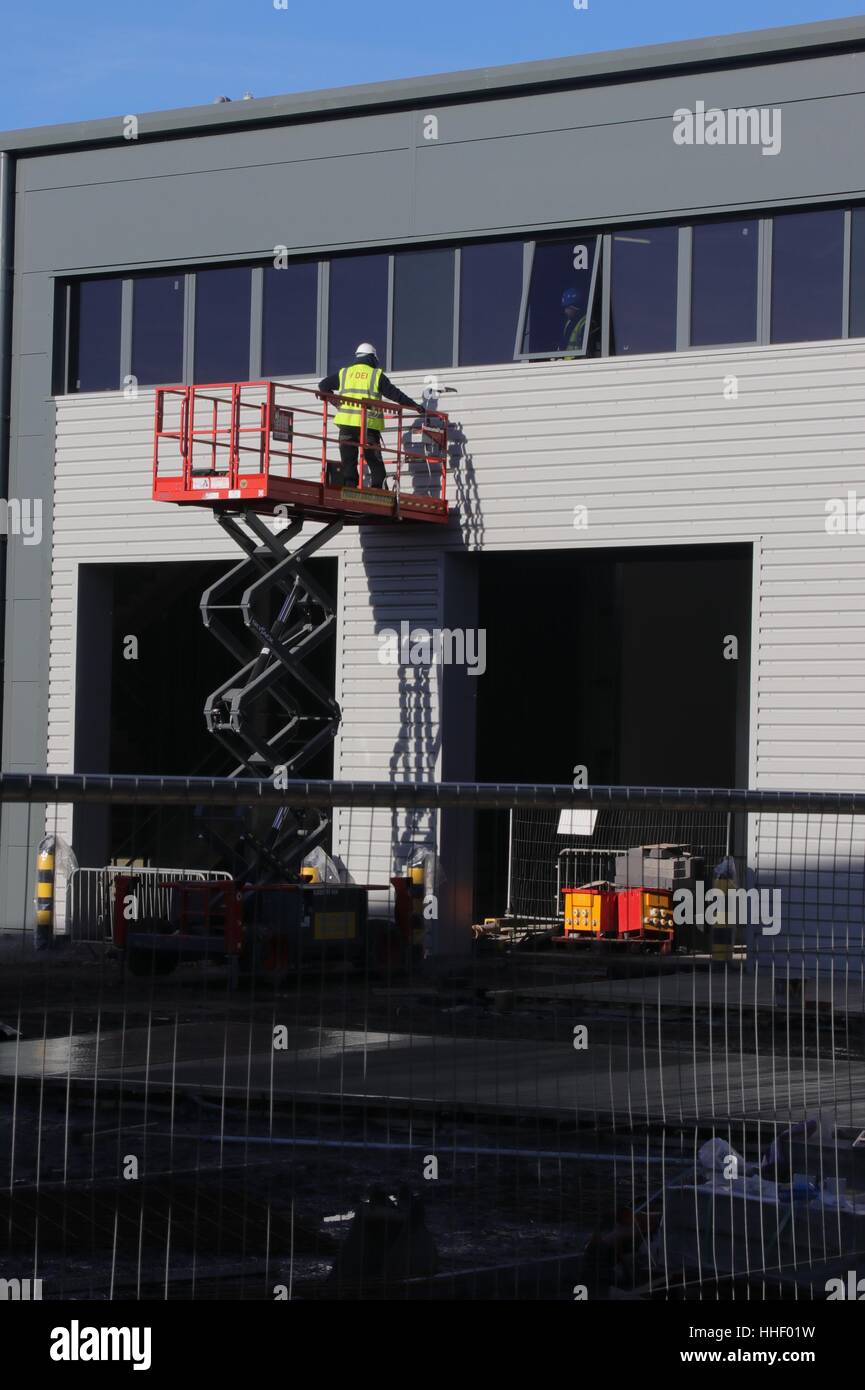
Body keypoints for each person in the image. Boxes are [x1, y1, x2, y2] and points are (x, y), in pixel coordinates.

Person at [318, 343, 425, 489]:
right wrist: (414, 405)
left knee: (348, 458)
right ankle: (378, 487)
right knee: (373, 458)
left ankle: (350, 485)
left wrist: (337, 403)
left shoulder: (344, 373)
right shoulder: (376, 375)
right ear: (372, 358)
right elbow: (395, 394)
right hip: (368, 425)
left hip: (347, 424)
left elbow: (323, 385)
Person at [560, 287, 587, 357]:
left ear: (575, 307)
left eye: (567, 308)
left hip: (577, 364)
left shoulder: (584, 324)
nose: (565, 311)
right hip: (567, 364)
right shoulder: (569, 323)